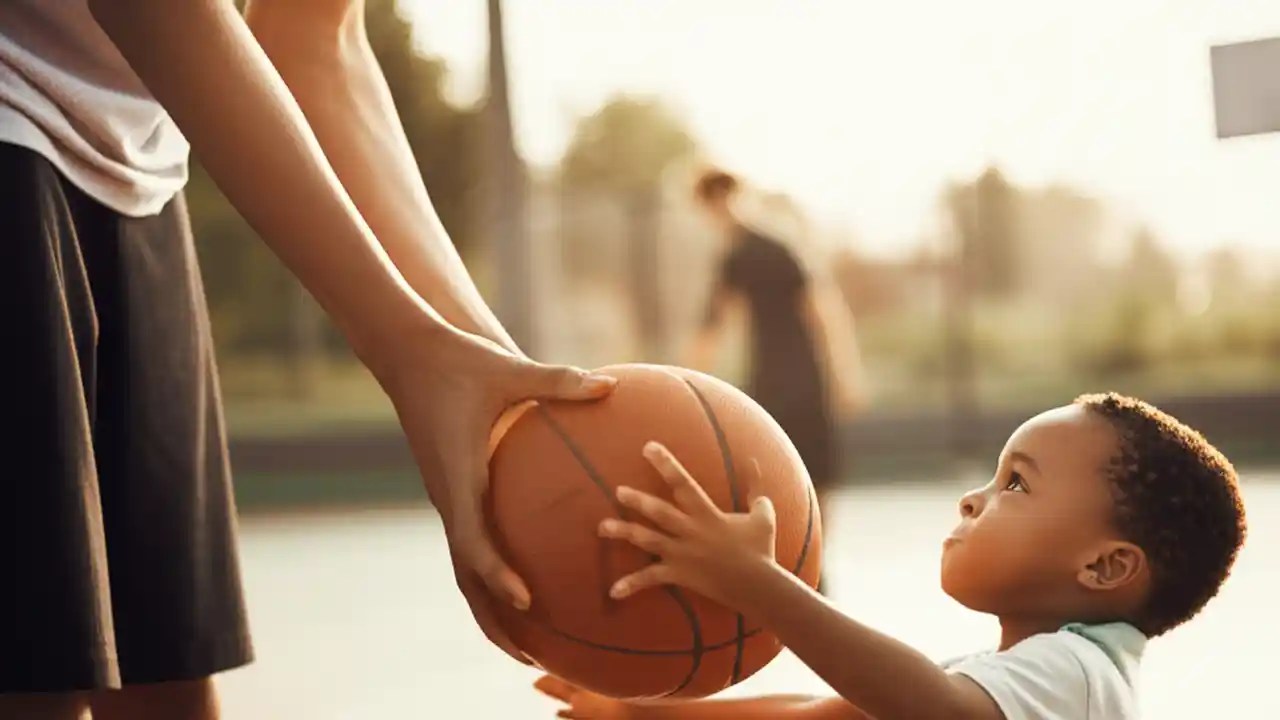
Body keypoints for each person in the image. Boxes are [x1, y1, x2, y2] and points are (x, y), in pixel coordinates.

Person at [0, 2, 614, 718]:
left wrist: (483, 367)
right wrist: (406, 349)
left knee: (169, 692)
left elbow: (315, 36)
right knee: (36, 687)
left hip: (133, 162)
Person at [537, 392, 1248, 719]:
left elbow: (925, 708)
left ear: (1103, 567)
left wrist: (756, 584)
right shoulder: (1006, 679)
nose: (973, 499)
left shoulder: (1082, 676)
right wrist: (643, 714)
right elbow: (819, 714)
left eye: (1016, 483)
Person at [687, 169, 864, 590]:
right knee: (774, 467)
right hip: (767, 374)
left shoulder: (777, 247)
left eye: (725, 196)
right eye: (712, 201)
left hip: (804, 370)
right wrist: (686, 383)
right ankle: (792, 558)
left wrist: (845, 373)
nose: (721, 207)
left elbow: (822, 309)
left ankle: (817, 559)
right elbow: (713, 323)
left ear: (739, 195)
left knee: (819, 468)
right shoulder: (734, 257)